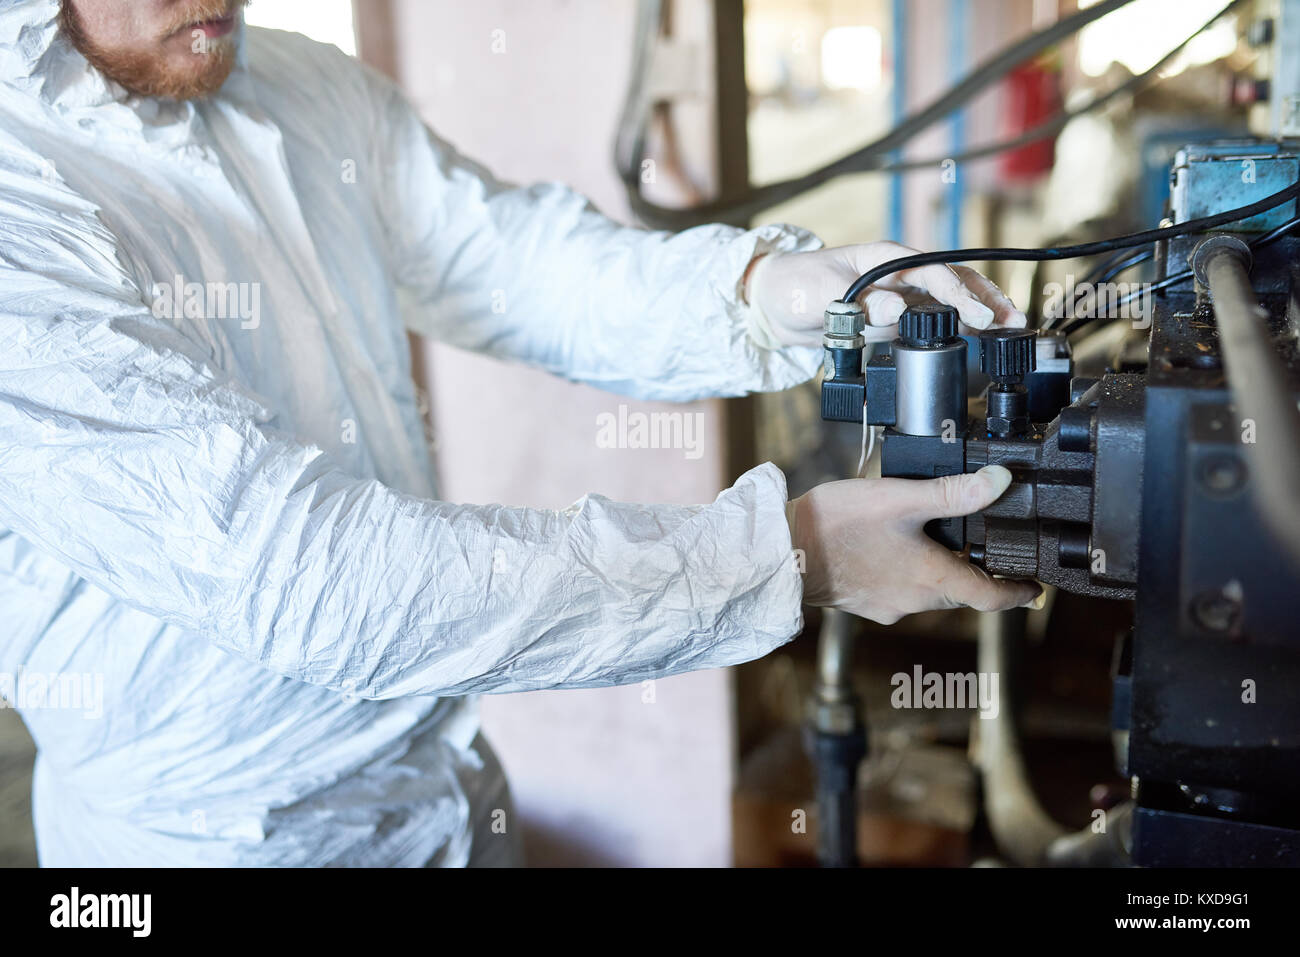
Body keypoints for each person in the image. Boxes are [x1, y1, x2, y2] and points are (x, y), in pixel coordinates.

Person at [0, 0, 1040, 867]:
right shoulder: (18, 198)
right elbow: (310, 579)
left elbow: (515, 264)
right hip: (218, 838)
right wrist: (786, 559)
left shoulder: (289, 83)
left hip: (443, 784)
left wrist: (771, 289)